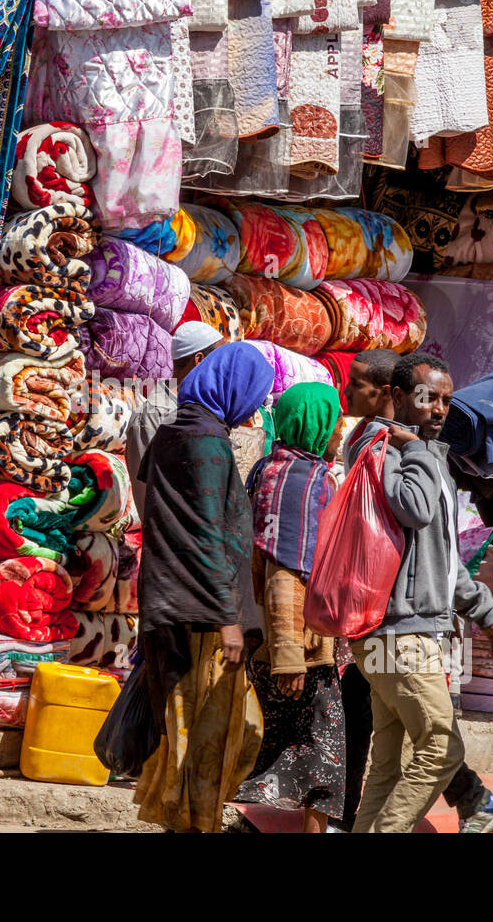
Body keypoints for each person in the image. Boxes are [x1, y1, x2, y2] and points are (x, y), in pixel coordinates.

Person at [338, 349, 493, 833]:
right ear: (397, 396)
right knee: (442, 745)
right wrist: (418, 450)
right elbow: (411, 508)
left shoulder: (423, 452)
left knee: (389, 764)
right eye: (427, 397)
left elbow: (442, 556)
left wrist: (487, 615)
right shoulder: (386, 446)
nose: (439, 410)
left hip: (403, 632)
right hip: (397, 633)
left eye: (446, 401)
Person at [133, 342, 275, 833]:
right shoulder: (208, 444)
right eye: (255, 394)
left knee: (186, 734)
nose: (255, 407)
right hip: (202, 620)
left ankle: (189, 823)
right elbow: (209, 536)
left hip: (167, 604)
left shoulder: (175, 431)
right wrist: (229, 620)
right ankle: (196, 825)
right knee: (215, 738)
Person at [236, 382, 348, 833]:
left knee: (281, 749)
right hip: (297, 644)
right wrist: (289, 657)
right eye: (335, 418)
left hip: (280, 638)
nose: (341, 428)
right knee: (321, 753)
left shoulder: (273, 468)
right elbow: (284, 573)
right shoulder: (300, 481)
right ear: (314, 422)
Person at [125, 320, 223, 520]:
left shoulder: (199, 408)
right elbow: (150, 494)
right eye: (218, 360)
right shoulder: (154, 415)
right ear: (199, 359)